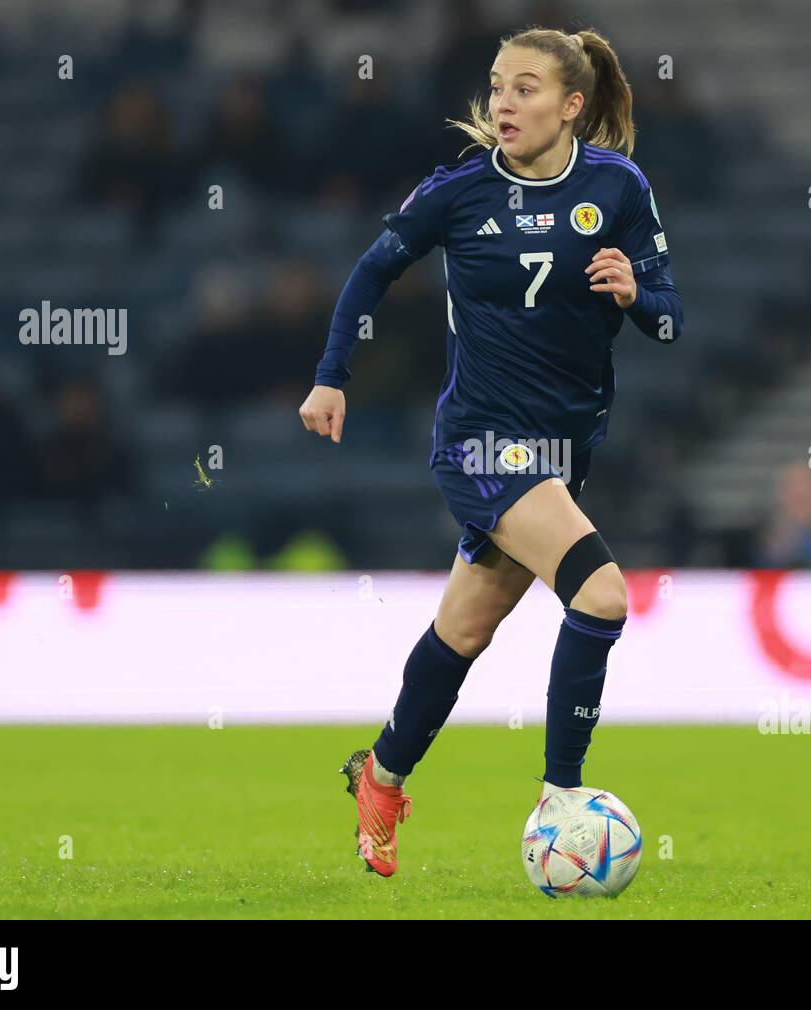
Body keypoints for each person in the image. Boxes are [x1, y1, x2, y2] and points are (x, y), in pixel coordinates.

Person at [298, 27, 683, 876]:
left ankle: (382, 775)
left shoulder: (618, 188)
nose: (504, 104)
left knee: (465, 627)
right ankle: (565, 798)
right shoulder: (459, 192)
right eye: (498, 88)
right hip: (479, 443)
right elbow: (371, 270)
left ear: (572, 105)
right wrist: (332, 376)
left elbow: (669, 314)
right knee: (605, 596)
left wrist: (634, 294)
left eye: (526, 89)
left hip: (564, 448)